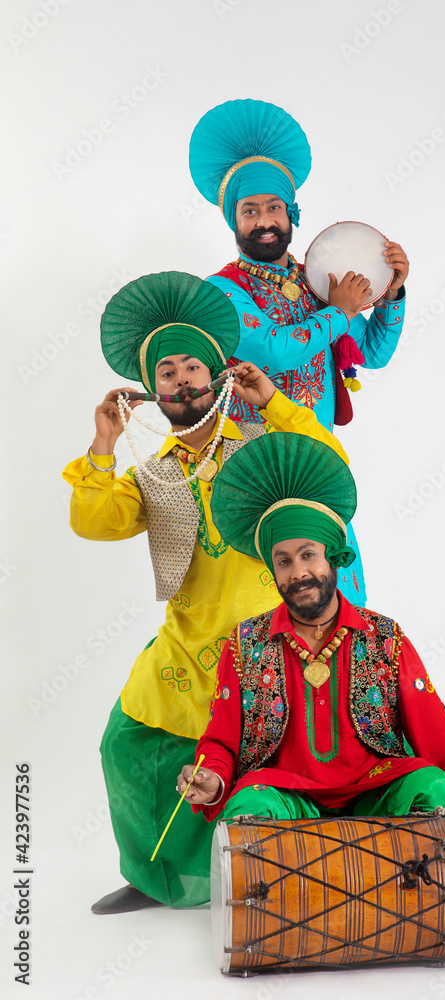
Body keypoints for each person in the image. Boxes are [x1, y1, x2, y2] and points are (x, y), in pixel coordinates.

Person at [62, 271, 352, 914]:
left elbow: (330, 458)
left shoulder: (259, 446)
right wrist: (104, 444)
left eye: (193, 365)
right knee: (128, 742)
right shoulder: (156, 472)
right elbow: (93, 522)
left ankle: (282, 879)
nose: (182, 378)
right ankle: (156, 875)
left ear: (217, 374)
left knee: (262, 763)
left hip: (264, 642)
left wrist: (272, 398)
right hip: (187, 642)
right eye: (167, 371)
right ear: (152, 391)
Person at [178, 433, 445, 907]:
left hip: (376, 793)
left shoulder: (385, 638)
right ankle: (279, 905)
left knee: (432, 786)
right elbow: (222, 740)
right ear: (273, 570)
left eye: (308, 554)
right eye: (283, 561)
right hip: (288, 797)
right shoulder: (244, 645)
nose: (297, 572)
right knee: (246, 804)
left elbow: (439, 740)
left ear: (333, 558)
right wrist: (212, 779)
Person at [189, 98, 411, 604]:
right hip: (253, 470)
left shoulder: (317, 280)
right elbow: (272, 353)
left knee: (337, 603)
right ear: (234, 221)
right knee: (264, 610)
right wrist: (340, 310)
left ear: (291, 213)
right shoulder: (221, 290)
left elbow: (372, 355)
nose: (263, 220)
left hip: (318, 460)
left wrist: (390, 294)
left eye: (273, 207)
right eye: (250, 210)